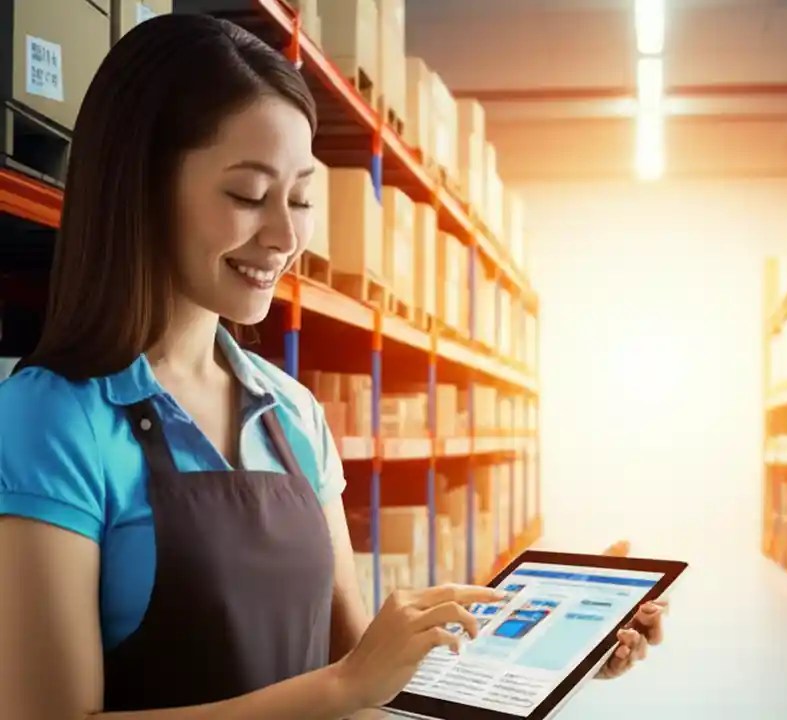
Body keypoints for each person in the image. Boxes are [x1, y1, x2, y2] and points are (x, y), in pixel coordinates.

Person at [0, 14, 663, 719]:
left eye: (303, 199)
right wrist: (344, 687)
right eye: (248, 195)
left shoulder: (291, 414)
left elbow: (360, 680)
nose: (285, 237)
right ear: (140, 186)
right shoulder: (51, 419)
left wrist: (553, 657)